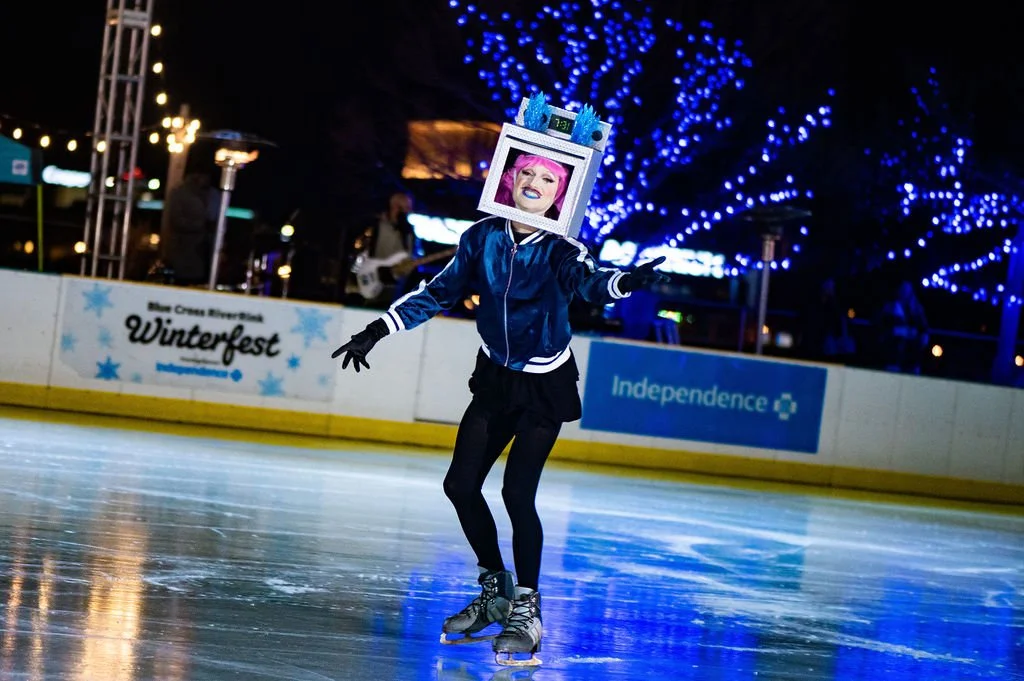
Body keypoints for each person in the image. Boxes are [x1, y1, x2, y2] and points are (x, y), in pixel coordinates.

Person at [331, 169, 666, 665]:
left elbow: (590, 284)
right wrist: (377, 329)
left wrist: (623, 283)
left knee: (516, 493)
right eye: (525, 172)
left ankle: (528, 608)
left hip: (542, 386)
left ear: (560, 194)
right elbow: (438, 292)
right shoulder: (480, 237)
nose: (534, 182)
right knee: (460, 486)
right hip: (494, 376)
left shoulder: (562, 249)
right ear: (510, 180)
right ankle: (496, 589)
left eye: (546, 178)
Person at [348, 192, 416, 308]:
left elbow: (409, 257)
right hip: (366, 280)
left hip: (392, 287)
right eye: (406, 207)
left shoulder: (408, 232)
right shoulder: (375, 224)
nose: (409, 211)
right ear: (394, 206)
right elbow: (358, 250)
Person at [494, 154, 568, 221]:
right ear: (514, 178)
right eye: (527, 173)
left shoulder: (560, 236)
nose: (533, 183)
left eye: (547, 179)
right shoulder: (484, 226)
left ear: (559, 191)